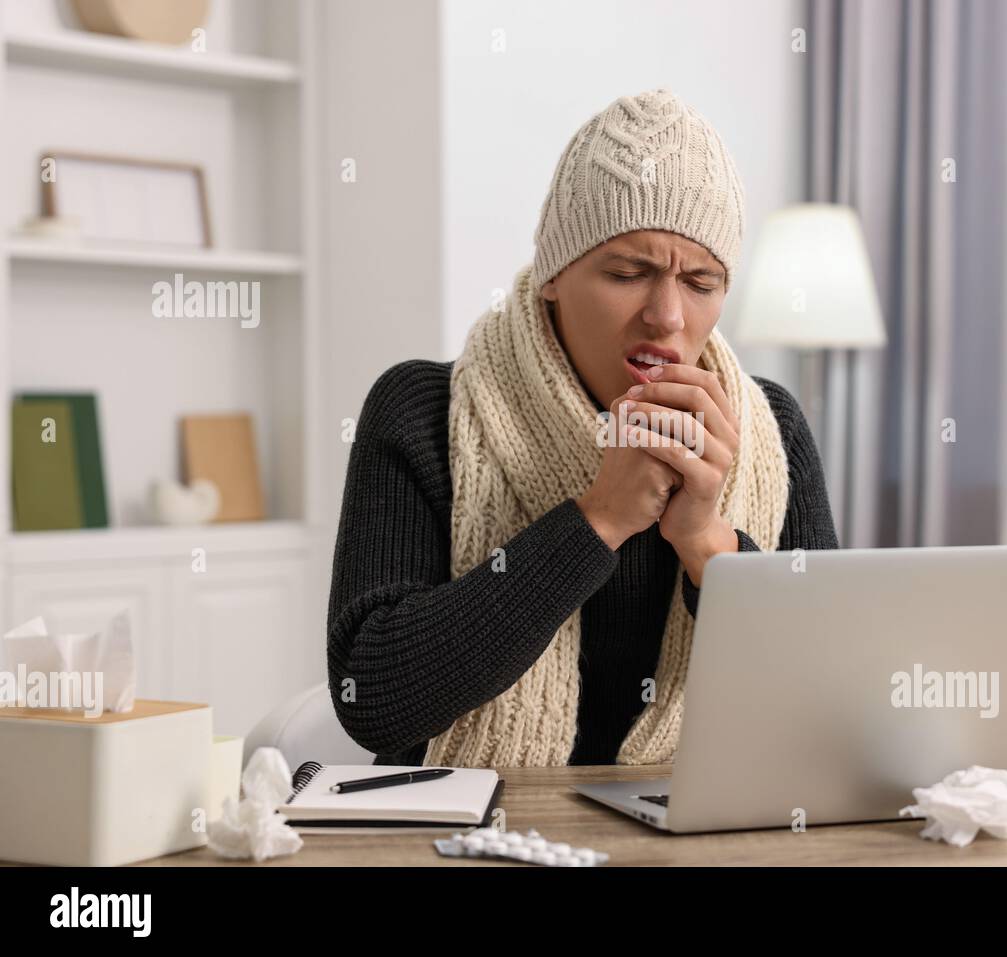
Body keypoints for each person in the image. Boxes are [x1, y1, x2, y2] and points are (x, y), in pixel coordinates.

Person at [327, 88, 838, 769]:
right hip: (471, 833)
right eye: (629, 272)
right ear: (552, 276)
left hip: (690, 830)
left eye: (702, 281)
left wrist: (706, 541)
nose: (667, 315)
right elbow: (376, 700)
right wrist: (598, 519)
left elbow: (825, 697)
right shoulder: (421, 409)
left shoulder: (769, 428)